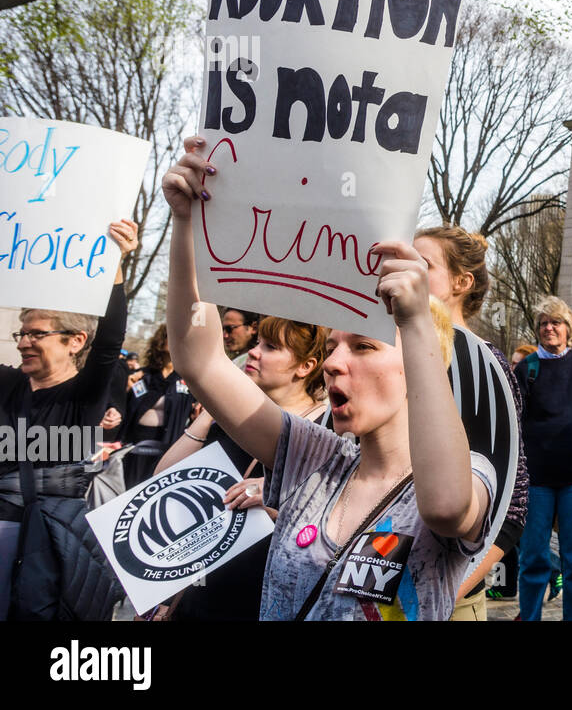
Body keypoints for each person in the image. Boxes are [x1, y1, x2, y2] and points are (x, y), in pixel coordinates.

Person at [163, 137, 494, 620]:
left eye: (363, 346)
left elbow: (444, 507)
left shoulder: (472, 473)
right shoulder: (312, 457)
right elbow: (202, 363)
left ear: (420, 367)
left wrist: (418, 321)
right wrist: (188, 226)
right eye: (333, 347)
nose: (334, 363)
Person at [0, 218, 138, 619]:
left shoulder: (84, 394)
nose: (24, 342)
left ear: (75, 341)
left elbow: (110, 341)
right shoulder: (8, 384)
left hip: (51, 542)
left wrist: (116, 266)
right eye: (20, 335)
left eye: (36, 334)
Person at [153, 316, 330, 621]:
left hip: (255, 595)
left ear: (306, 366)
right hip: (196, 588)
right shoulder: (232, 413)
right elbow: (162, 480)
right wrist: (207, 416)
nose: (254, 352)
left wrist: (275, 498)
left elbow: (330, 523)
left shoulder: (323, 432)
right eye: (257, 343)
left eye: (271, 347)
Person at [413, 224, 529, 622]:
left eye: (422, 264)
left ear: (462, 282)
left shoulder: (485, 364)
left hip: (448, 601)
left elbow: (512, 508)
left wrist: (444, 591)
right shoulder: (387, 355)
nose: (406, 271)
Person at [513, 297, 572, 621]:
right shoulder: (528, 368)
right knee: (533, 558)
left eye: (556, 322)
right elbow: (516, 419)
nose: (549, 328)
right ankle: (530, 616)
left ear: (568, 328)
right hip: (537, 480)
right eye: (543, 323)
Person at [119, 324, 192, 487]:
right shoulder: (144, 375)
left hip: (166, 443)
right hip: (135, 442)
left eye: (178, 337)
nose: (173, 340)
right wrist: (127, 387)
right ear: (160, 341)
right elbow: (127, 405)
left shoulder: (186, 379)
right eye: (169, 336)